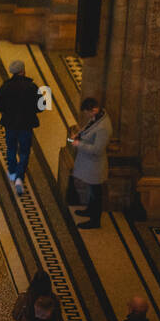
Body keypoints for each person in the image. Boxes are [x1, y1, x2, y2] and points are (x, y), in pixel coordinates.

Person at [0, 59, 41, 195]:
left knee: (11, 148)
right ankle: (20, 177)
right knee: (24, 152)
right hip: (26, 125)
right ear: (23, 71)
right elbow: (40, 108)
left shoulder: (6, 86)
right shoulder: (32, 87)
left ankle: (12, 172)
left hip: (10, 125)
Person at [68, 96, 112, 229]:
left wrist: (78, 144)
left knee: (96, 193)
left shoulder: (104, 127)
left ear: (93, 110)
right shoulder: (98, 116)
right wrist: (79, 134)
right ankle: (90, 210)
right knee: (92, 191)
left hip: (95, 165)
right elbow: (89, 127)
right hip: (89, 164)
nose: (87, 116)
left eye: (87, 113)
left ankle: (95, 220)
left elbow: (97, 149)